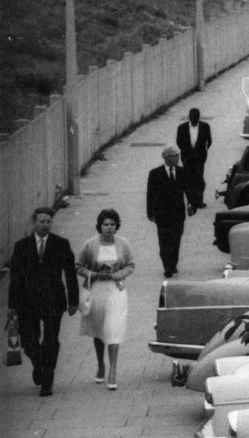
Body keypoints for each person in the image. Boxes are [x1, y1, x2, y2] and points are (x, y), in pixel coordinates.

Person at [5, 206, 79, 396]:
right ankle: (38, 364)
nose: (45, 225)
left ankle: (47, 379)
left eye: (48, 222)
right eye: (41, 221)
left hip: (53, 300)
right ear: (34, 222)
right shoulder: (21, 247)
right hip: (27, 303)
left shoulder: (61, 244)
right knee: (29, 342)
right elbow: (15, 278)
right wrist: (12, 306)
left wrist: (73, 301)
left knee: (51, 340)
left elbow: (70, 274)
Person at [76, 209, 136, 390]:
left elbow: (131, 265)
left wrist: (117, 274)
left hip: (116, 289)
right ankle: (100, 365)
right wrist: (94, 274)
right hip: (97, 290)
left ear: (116, 226)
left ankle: (113, 370)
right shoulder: (90, 244)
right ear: (99, 226)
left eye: (112, 224)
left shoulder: (123, 243)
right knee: (99, 328)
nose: (109, 228)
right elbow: (79, 266)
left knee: (113, 328)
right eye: (105, 224)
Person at [146, 145, 190, 277]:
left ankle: (173, 264)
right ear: (167, 158)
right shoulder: (155, 173)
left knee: (176, 239)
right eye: (176, 156)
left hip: (178, 213)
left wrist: (192, 204)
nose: (178, 159)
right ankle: (167, 267)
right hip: (162, 214)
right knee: (164, 241)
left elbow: (188, 189)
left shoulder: (182, 171)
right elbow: (150, 194)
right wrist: (150, 212)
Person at [175, 109, 213, 214]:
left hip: (200, 158)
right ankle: (191, 201)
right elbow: (178, 141)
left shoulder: (205, 127)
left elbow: (209, 141)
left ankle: (199, 201)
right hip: (187, 158)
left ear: (199, 117)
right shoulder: (182, 128)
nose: (194, 120)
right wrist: (186, 151)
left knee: (199, 178)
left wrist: (203, 151)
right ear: (189, 118)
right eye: (192, 118)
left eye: (196, 118)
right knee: (188, 178)